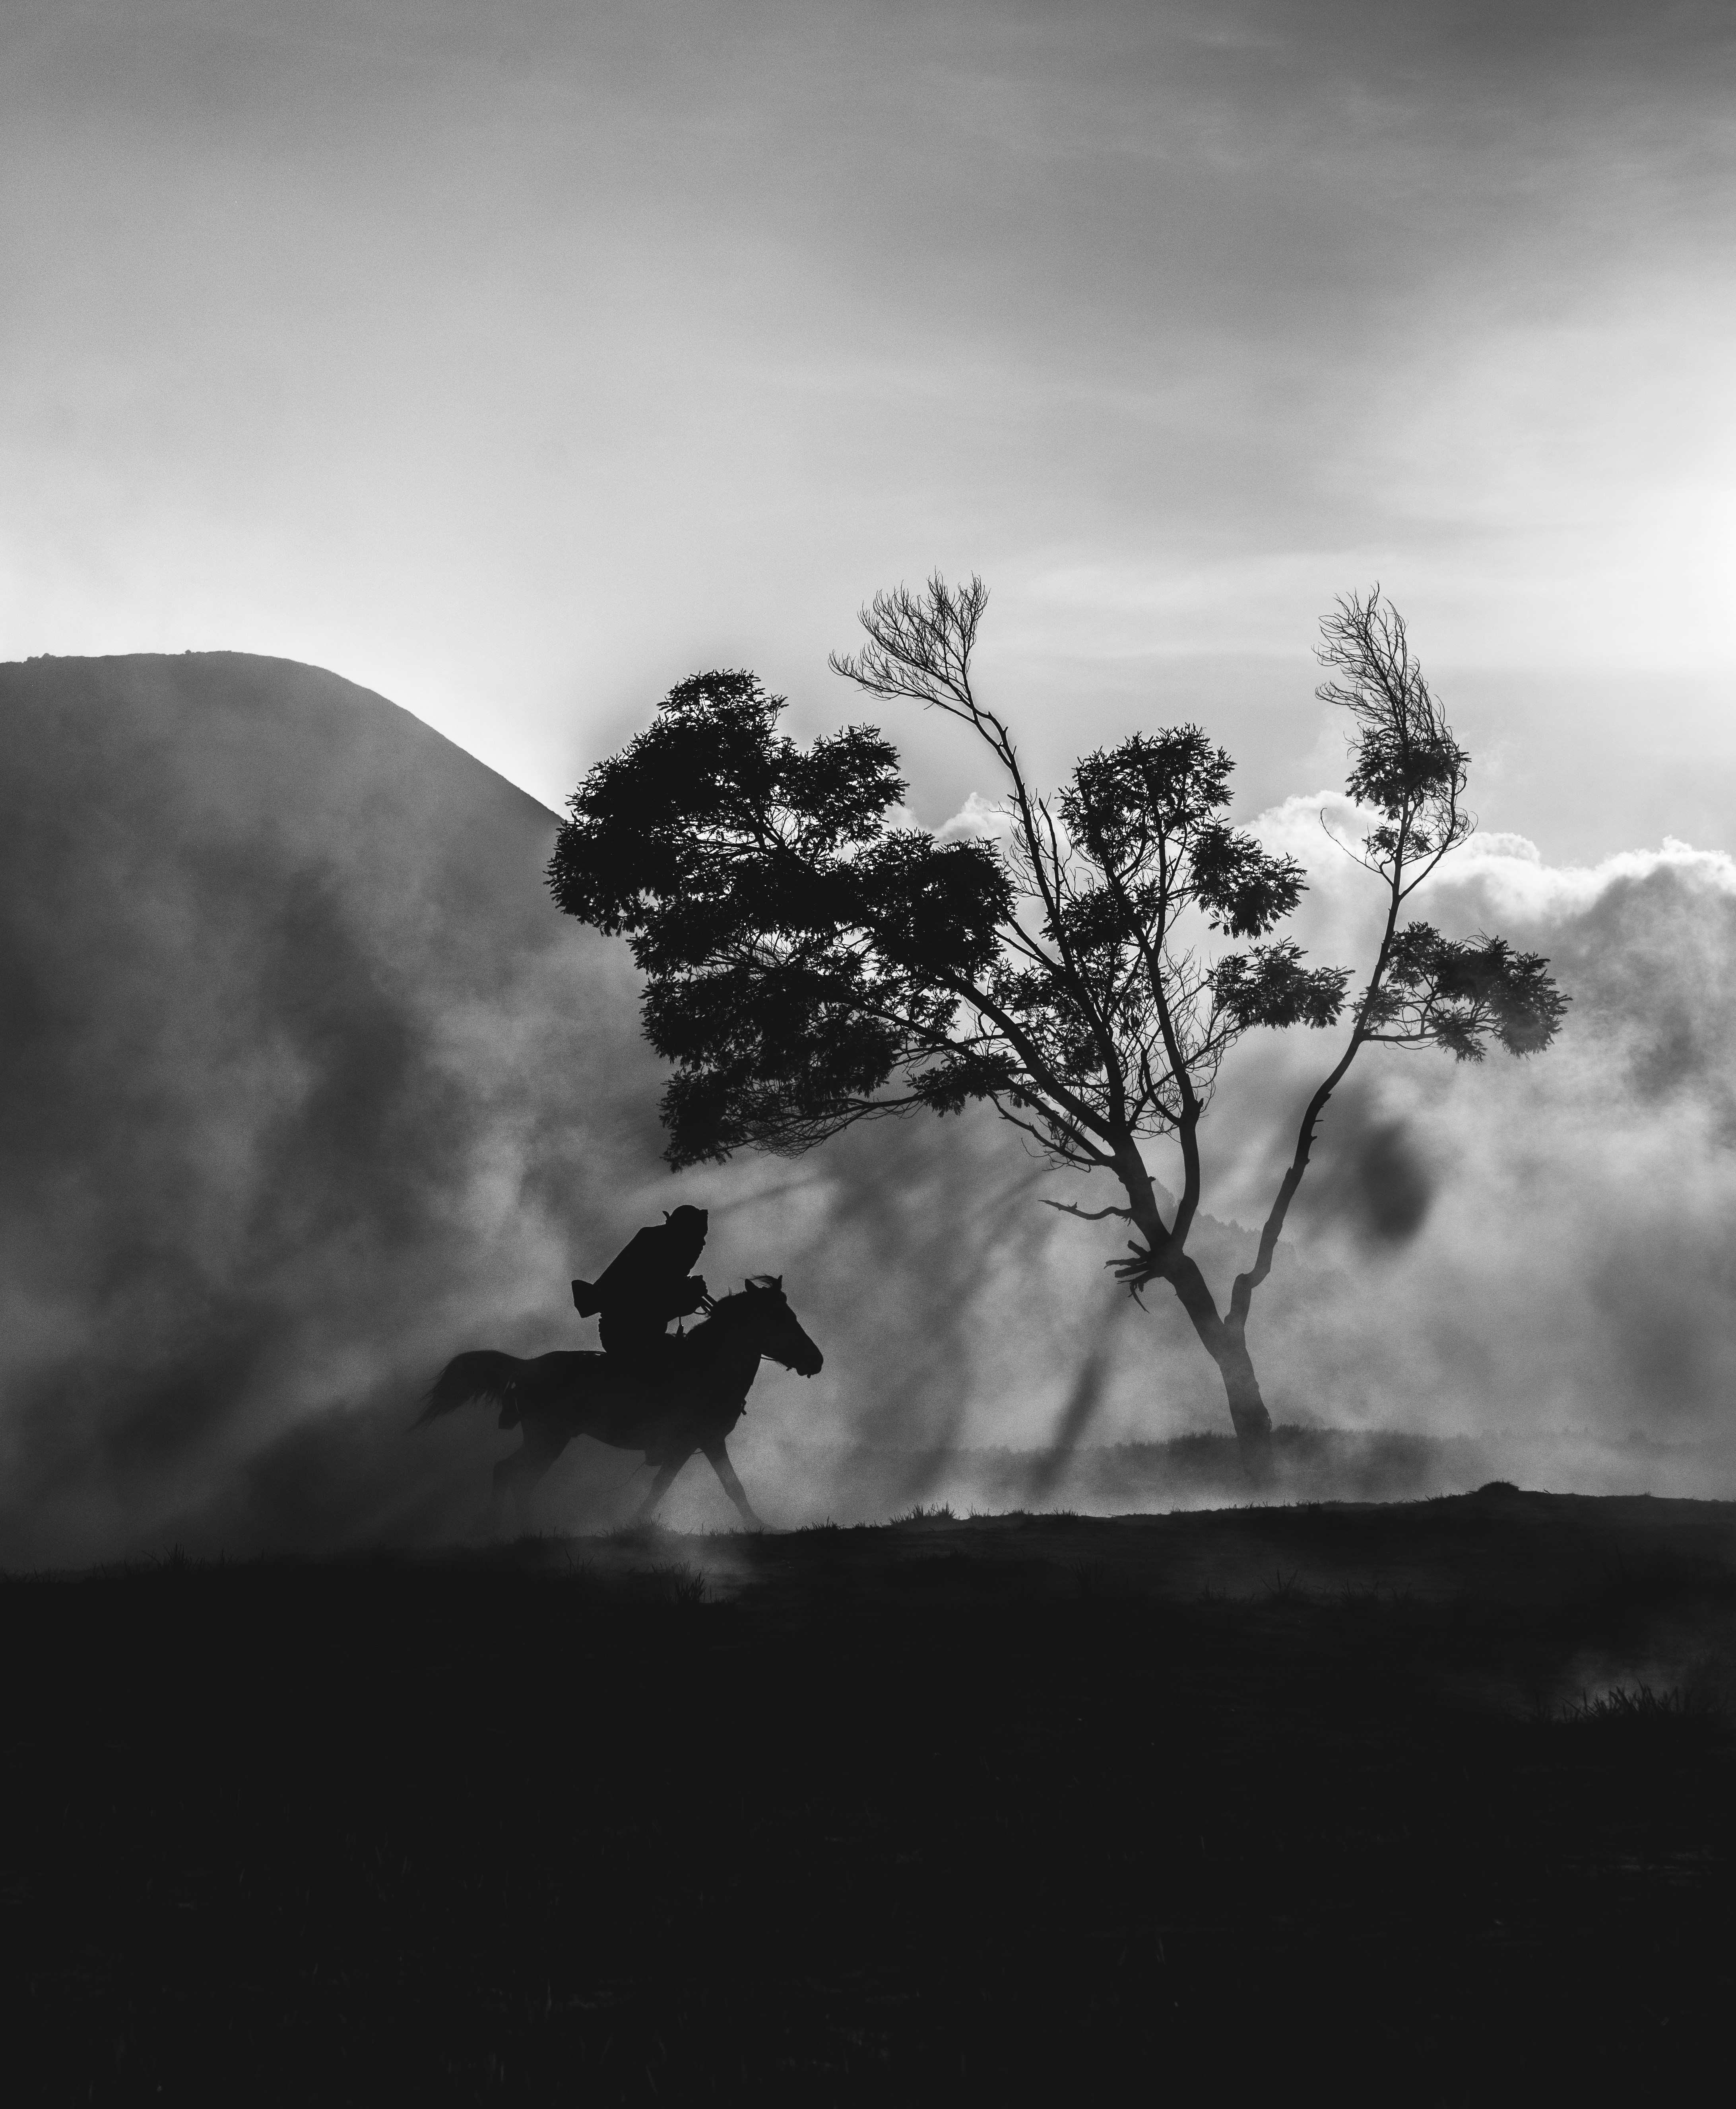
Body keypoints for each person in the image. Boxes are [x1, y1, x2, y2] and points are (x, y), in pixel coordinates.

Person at [572, 1205, 710, 1375]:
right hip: (626, 1334)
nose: (702, 1243)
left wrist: (687, 1293)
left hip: (634, 1333)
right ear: (683, 1235)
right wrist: (688, 1296)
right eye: (697, 1237)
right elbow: (650, 1306)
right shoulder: (654, 1255)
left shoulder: (662, 1256)